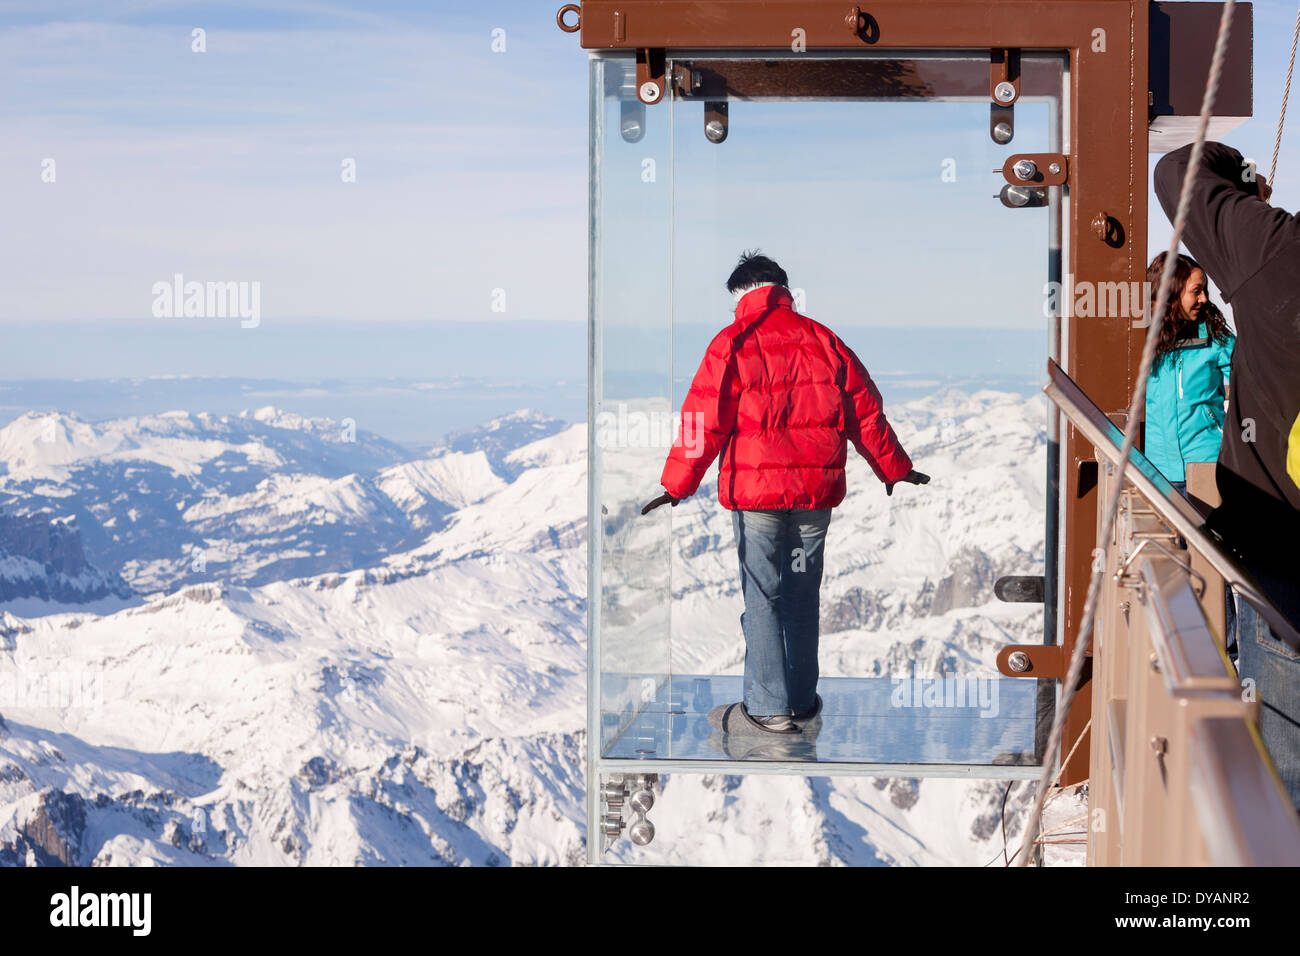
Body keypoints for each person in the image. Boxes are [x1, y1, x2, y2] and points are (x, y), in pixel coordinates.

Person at [641, 251, 929, 735]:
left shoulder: (730, 343)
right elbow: (865, 411)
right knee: (800, 594)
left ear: (740, 293)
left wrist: (677, 483)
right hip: (814, 494)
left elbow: (701, 420)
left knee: (763, 598)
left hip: (757, 496)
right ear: (783, 288)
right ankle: (801, 702)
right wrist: (893, 467)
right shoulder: (823, 339)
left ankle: (767, 710)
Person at [1154, 141, 1300, 808]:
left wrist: (1241, 186)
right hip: (1188, 486)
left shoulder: (1277, 256)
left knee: (1282, 767)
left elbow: (1177, 171)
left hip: (1271, 539)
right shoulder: (1174, 354)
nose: (1202, 293)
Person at [1141, 251, 1237, 655]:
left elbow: (1254, 386)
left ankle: (1231, 653)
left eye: (1205, 290)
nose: (1203, 298)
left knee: (1219, 565)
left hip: (1205, 468)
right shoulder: (1150, 344)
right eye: (1196, 290)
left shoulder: (1216, 341)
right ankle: (1185, 650)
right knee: (1176, 568)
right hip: (1161, 473)